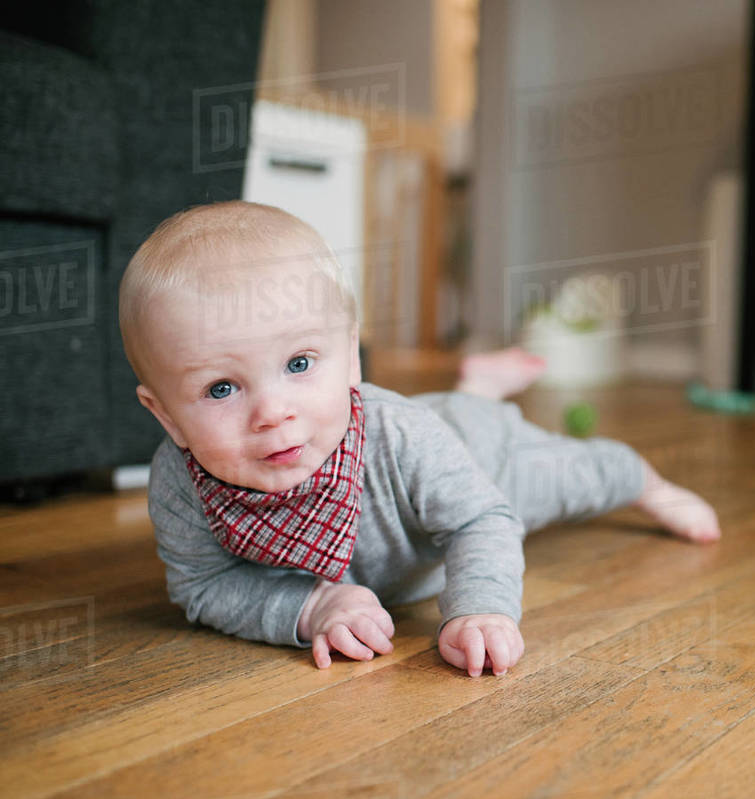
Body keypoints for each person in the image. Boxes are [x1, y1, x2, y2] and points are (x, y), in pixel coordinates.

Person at [117, 201, 721, 676]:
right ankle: (476, 386)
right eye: (222, 389)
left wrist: (481, 609)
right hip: (434, 433)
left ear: (351, 358)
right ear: (166, 415)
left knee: (576, 480)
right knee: (444, 420)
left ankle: (641, 476)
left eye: (300, 364)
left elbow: (481, 521)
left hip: (479, 453)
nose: (273, 414)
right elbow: (203, 585)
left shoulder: (403, 436)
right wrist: (309, 608)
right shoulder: (179, 484)